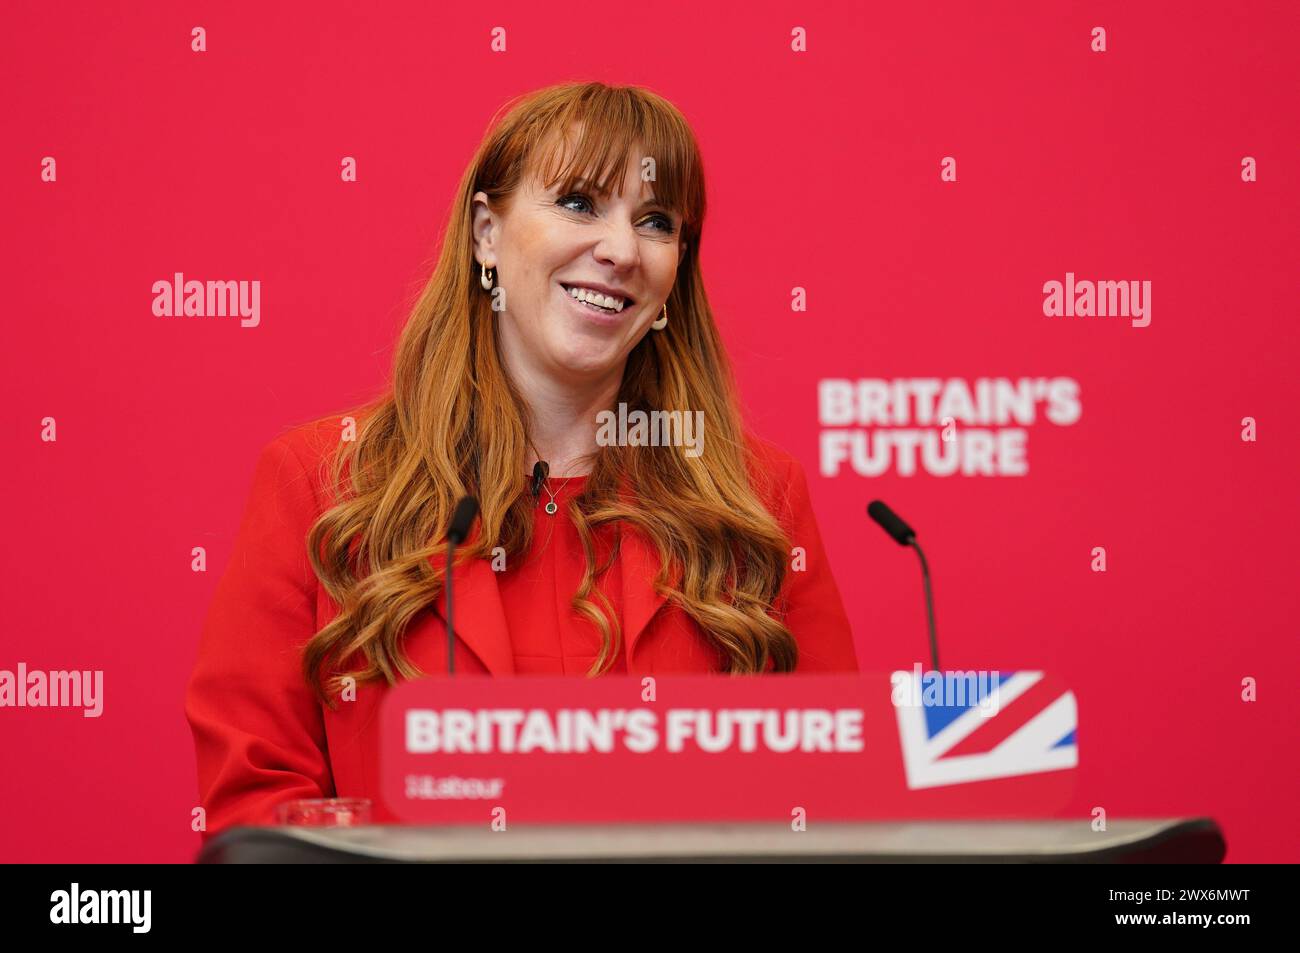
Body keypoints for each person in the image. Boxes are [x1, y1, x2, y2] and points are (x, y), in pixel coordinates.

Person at [185, 81, 857, 840]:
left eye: (656, 221)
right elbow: (258, 816)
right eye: (578, 203)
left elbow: (829, 802)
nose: (620, 250)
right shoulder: (322, 483)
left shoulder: (759, 498)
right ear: (486, 234)